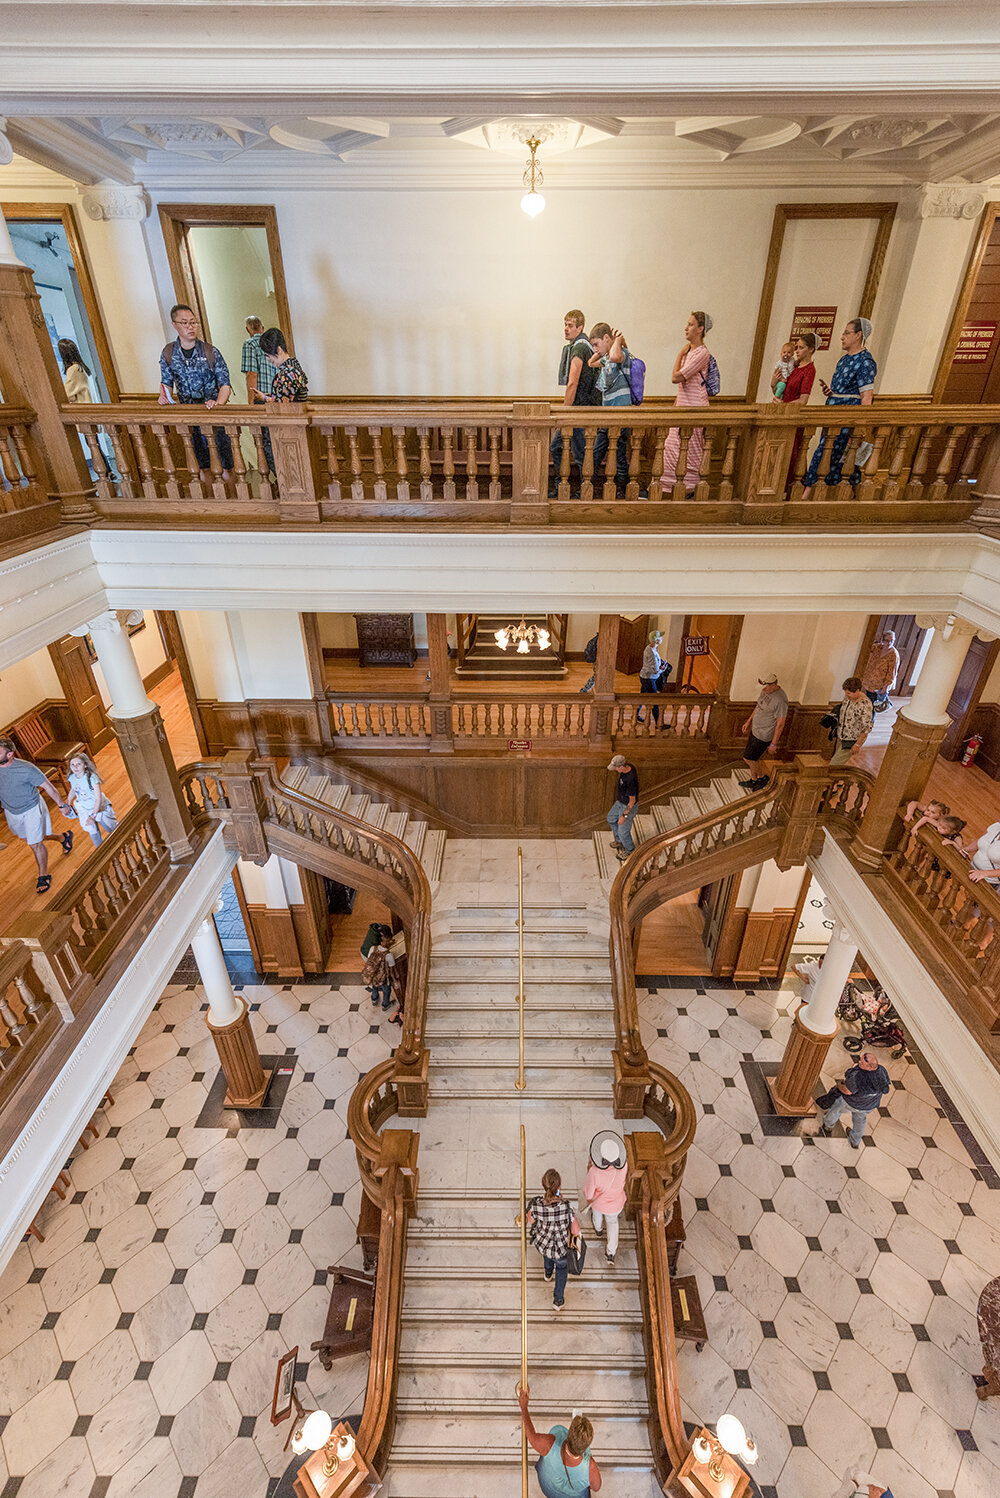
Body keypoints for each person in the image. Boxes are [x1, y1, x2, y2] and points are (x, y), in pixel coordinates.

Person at [801, 318, 878, 497]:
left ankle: (807, 496)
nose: (842, 337)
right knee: (828, 454)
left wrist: (860, 427)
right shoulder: (844, 360)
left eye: (846, 333)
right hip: (833, 412)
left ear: (859, 335)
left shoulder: (865, 361)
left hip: (847, 417)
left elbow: (866, 397)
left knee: (830, 456)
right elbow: (843, 389)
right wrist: (831, 392)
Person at [157, 303, 234, 475]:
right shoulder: (169, 353)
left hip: (214, 417)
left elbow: (225, 385)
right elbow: (166, 383)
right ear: (175, 325)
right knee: (202, 467)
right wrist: (163, 397)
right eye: (185, 323)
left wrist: (218, 405)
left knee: (226, 465)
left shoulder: (210, 352)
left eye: (193, 322)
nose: (190, 327)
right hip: (190, 418)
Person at [0, 737, 73, 894]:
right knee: (28, 839)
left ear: (10, 754)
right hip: (11, 811)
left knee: (35, 844)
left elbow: (49, 787)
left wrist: (61, 805)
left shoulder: (27, 769)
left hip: (31, 809)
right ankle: (63, 838)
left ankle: (43, 875)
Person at [662, 311, 713, 496]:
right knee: (672, 447)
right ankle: (669, 488)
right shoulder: (690, 352)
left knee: (690, 450)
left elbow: (676, 377)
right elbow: (681, 387)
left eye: (691, 324)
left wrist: (680, 353)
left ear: (700, 329)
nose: (686, 327)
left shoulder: (701, 353)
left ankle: (691, 489)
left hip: (695, 407)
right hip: (682, 406)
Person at [549, 310, 600, 493]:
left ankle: (583, 490)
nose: (566, 329)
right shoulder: (584, 346)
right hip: (582, 407)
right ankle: (567, 487)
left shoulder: (579, 348)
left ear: (580, 327)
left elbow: (573, 382)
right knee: (567, 449)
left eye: (570, 325)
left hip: (579, 408)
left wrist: (565, 411)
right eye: (565, 324)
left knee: (577, 452)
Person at [517, 1388, 602, 1496]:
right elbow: (596, 1487)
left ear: (569, 1434)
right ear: (586, 1446)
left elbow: (532, 1437)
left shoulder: (549, 1444)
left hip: (549, 1487)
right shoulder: (590, 1466)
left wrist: (524, 1407)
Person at [520, 1167, 581, 1311]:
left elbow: (531, 1221)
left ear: (543, 1185)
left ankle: (547, 1273)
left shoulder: (536, 1205)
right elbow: (576, 1230)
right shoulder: (566, 1207)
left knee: (547, 1258)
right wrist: (560, 1195)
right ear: (559, 1187)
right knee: (561, 1272)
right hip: (561, 1249)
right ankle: (558, 1300)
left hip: (544, 1243)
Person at [58, 338, 118, 480]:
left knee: (92, 442)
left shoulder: (73, 370)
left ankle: (106, 471)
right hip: (90, 409)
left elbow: (68, 393)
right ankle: (107, 470)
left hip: (83, 412)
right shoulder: (82, 367)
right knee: (94, 442)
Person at [586, 324, 631, 498]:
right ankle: (587, 486)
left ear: (606, 337)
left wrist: (617, 341)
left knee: (619, 453)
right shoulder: (607, 357)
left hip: (621, 413)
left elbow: (615, 355)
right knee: (597, 450)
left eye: (596, 344)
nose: (594, 349)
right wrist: (600, 350)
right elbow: (591, 363)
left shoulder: (621, 354)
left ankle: (625, 488)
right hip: (609, 414)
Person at [818, 1050, 891, 1148]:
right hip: (869, 1105)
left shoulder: (858, 1076)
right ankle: (855, 1141)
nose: (859, 1063)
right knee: (860, 1121)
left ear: (871, 1066)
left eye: (862, 1062)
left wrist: (839, 1085)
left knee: (836, 1110)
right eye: (860, 1060)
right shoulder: (882, 1070)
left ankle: (828, 1125)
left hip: (851, 1103)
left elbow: (847, 1091)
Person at [738, 673, 788, 791]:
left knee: (748, 758)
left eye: (766, 687)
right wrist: (748, 722)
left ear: (774, 684)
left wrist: (773, 744)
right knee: (753, 758)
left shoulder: (780, 700)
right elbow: (758, 706)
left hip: (764, 735)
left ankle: (761, 779)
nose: (764, 690)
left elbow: (780, 724)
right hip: (755, 730)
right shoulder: (765, 691)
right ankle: (754, 780)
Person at [240, 315, 276, 477]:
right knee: (276, 438)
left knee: (265, 441)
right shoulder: (273, 343)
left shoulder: (250, 344)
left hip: (261, 398)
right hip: (277, 397)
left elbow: (251, 373)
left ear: (248, 329)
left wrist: (251, 402)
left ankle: (278, 476)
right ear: (262, 327)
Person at [584, 1131, 626, 1267]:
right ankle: (611, 1252)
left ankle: (598, 1230)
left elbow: (589, 1194)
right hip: (616, 1203)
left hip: (599, 1204)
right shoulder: (624, 1166)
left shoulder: (595, 1172)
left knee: (597, 1216)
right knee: (613, 1224)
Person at [66, 752, 117, 846]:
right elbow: (74, 788)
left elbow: (98, 799)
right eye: (72, 764)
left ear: (85, 765)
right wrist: (68, 801)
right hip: (85, 809)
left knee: (111, 828)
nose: (75, 767)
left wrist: (93, 815)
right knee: (93, 832)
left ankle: (120, 842)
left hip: (98, 808)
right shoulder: (72, 777)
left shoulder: (92, 778)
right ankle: (100, 851)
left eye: (78, 764)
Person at [830, 676, 873, 767]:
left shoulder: (865, 705)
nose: (846, 695)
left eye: (849, 693)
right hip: (841, 736)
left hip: (850, 740)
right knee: (838, 764)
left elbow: (866, 728)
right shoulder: (848, 698)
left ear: (857, 691)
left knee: (834, 765)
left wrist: (857, 745)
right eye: (846, 693)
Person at [260, 327, 309, 402]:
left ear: (279, 350)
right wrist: (271, 395)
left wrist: (265, 398)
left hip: (290, 413)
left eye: (268, 355)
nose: (268, 359)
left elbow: (282, 406)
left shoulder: (288, 373)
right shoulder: (293, 366)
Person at [605, 754, 639, 861]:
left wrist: (624, 816)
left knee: (623, 831)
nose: (615, 769)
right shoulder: (629, 767)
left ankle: (630, 852)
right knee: (610, 818)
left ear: (621, 767)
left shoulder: (630, 779)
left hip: (628, 806)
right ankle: (619, 841)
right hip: (620, 802)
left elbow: (632, 801)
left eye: (615, 768)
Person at [636, 629, 669, 725]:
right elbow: (654, 669)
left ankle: (636, 715)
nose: (662, 638)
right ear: (656, 640)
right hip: (649, 679)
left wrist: (660, 663)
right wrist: (663, 668)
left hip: (646, 677)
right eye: (660, 637)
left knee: (642, 697)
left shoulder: (651, 648)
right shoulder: (651, 652)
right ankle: (659, 724)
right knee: (655, 701)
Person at [861, 630, 899, 710]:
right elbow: (866, 647)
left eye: (892, 641)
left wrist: (885, 687)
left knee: (872, 707)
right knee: (865, 704)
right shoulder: (877, 647)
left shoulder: (893, 654)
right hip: (868, 682)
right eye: (887, 640)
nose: (889, 643)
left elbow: (892, 673)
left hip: (879, 685)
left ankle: (870, 721)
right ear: (883, 640)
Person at [361, 932, 396, 1009]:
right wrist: (394, 979)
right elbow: (391, 968)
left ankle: (374, 1000)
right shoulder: (388, 955)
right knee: (386, 990)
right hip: (382, 978)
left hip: (372, 975)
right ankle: (385, 1005)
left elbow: (369, 958)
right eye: (390, 940)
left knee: (374, 987)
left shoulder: (373, 948)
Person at [967, 821, 1000, 890]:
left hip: (988, 882)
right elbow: (981, 841)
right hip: (970, 868)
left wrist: (984, 873)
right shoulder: (996, 826)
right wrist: (965, 850)